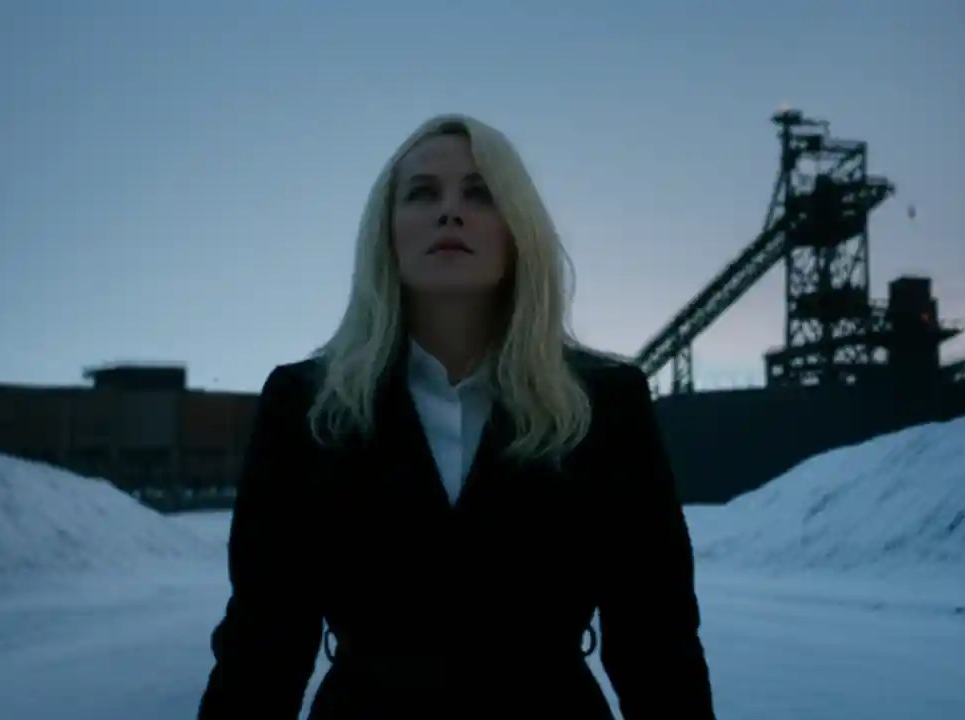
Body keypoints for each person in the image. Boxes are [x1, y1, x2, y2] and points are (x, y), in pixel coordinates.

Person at [196, 114, 716, 719]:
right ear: (386, 233)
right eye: (422, 194)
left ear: (519, 230)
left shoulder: (605, 401)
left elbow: (657, 637)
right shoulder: (306, 405)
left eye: (480, 193)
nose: (450, 211)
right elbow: (263, 640)